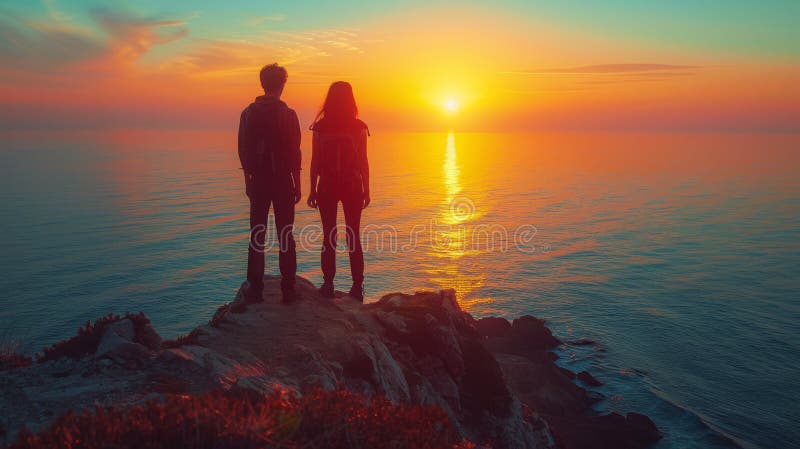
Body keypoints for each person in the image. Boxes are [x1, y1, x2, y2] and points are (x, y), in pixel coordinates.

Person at [237, 63, 302, 305]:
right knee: (286, 234)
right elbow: (295, 152)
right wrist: (298, 183)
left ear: (263, 84)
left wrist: (247, 181)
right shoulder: (289, 114)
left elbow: (243, 150)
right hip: (284, 180)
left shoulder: (247, 113)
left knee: (257, 234)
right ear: (282, 85)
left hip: (259, 181)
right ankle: (288, 289)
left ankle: (255, 289)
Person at [307, 81, 370, 301]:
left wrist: (312, 189)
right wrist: (367, 189)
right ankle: (357, 287)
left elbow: (315, 161)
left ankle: (328, 285)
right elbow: (363, 160)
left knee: (329, 236)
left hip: (326, 186)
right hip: (353, 186)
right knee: (353, 236)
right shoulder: (359, 127)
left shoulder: (320, 127)